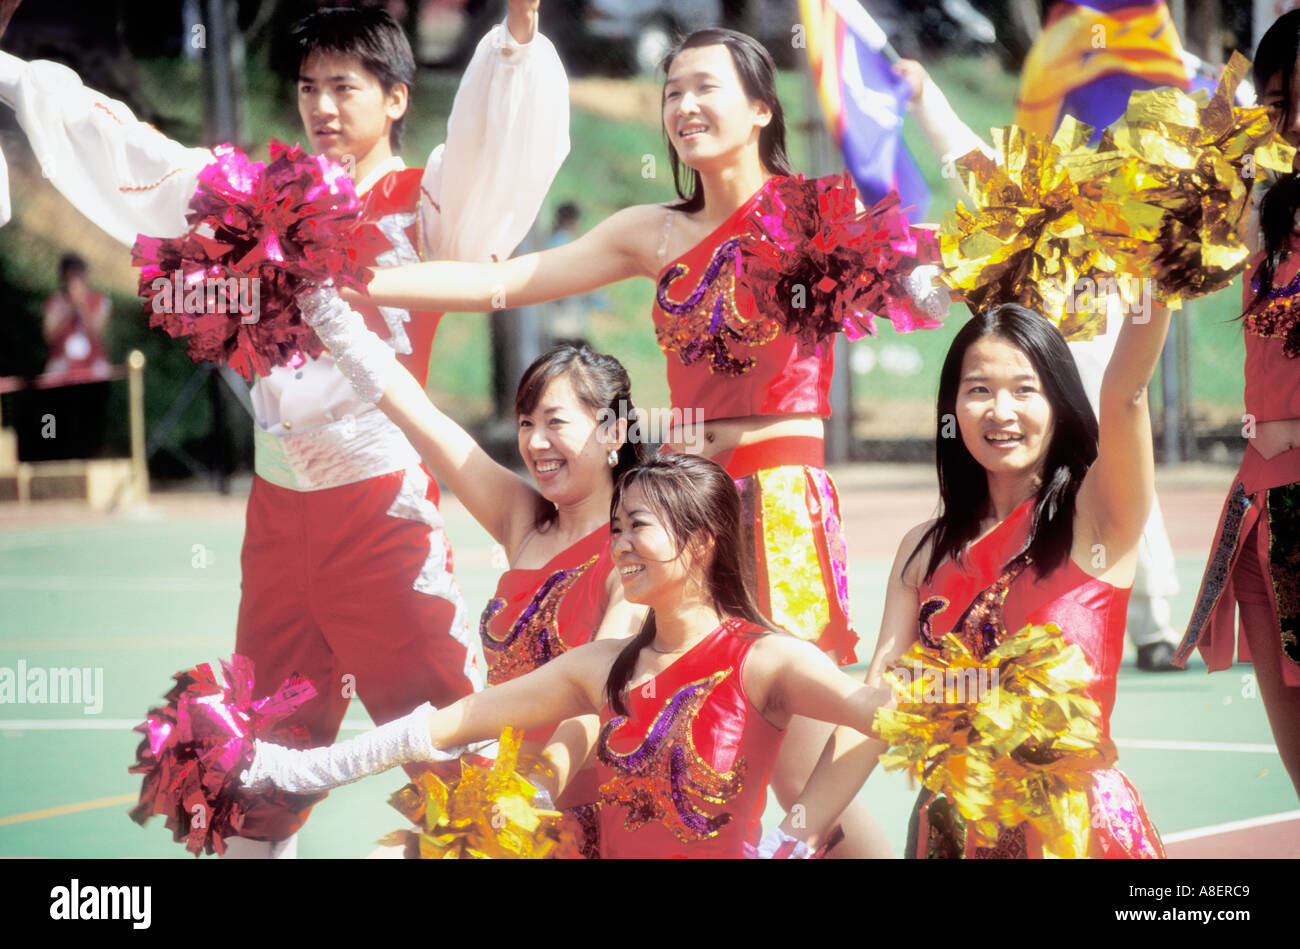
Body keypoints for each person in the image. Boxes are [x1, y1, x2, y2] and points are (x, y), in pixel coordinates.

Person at [332, 27, 954, 858]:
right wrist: (350, 281)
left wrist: (937, 272)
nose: (684, 106)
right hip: (685, 508)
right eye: (672, 92)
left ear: (762, 107)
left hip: (778, 504)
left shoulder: (818, 212)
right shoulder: (650, 232)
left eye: (705, 88)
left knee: (801, 776)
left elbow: (934, 281)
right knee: (676, 724)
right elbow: (500, 280)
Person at [0, 0, 569, 856]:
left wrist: (518, 41)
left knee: (461, 770)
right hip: (275, 527)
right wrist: (10, 76)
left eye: (345, 86)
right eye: (308, 87)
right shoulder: (252, 207)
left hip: (383, 523)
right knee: (249, 775)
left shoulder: (429, 208)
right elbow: (134, 153)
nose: (322, 107)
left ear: (398, 98)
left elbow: (497, 155)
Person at [242, 453, 897, 859]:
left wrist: (795, 834)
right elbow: (451, 723)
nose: (620, 546)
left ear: (701, 543)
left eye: (639, 526)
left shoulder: (766, 660)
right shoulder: (602, 668)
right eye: (617, 528)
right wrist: (303, 766)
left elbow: (878, 716)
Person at [769, 301, 1172, 858]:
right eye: (978, 389)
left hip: (1074, 833)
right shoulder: (923, 551)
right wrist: (791, 834)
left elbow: (1127, 392)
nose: (1000, 410)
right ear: (952, 407)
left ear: (1059, 402)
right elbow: (878, 707)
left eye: (1025, 390)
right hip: (951, 833)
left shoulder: (1098, 516)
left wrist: (1169, 272)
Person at [299, 279, 648, 854]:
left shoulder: (634, 551)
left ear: (611, 430)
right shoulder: (524, 520)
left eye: (556, 422)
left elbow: (598, 695)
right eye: (526, 423)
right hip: (511, 805)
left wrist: (536, 794)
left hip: (595, 817)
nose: (536, 442)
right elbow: (418, 416)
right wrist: (323, 307)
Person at [1174, 9, 1300, 800]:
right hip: (1260, 508)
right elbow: (1178, 253)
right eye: (1280, 102)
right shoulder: (1269, 217)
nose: (1294, 121)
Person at [36, 252, 112, 460]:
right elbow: (49, 335)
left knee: (92, 414)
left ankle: (93, 452)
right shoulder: (55, 302)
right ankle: (55, 452)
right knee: (55, 415)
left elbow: (97, 332)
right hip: (62, 367)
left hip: (91, 367)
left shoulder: (99, 300)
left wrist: (82, 306)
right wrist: (70, 307)